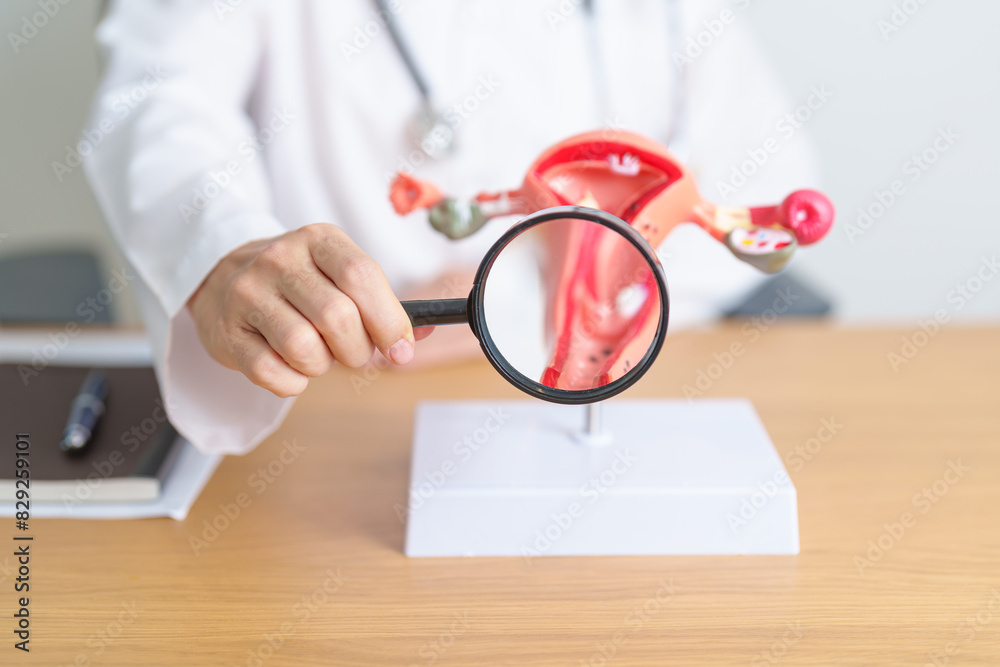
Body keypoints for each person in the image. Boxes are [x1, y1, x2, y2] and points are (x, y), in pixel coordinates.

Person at [83, 0, 819, 455]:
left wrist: (537, 292)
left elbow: (769, 189)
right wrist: (219, 248)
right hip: (354, 396)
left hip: (644, 369)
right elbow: (160, 99)